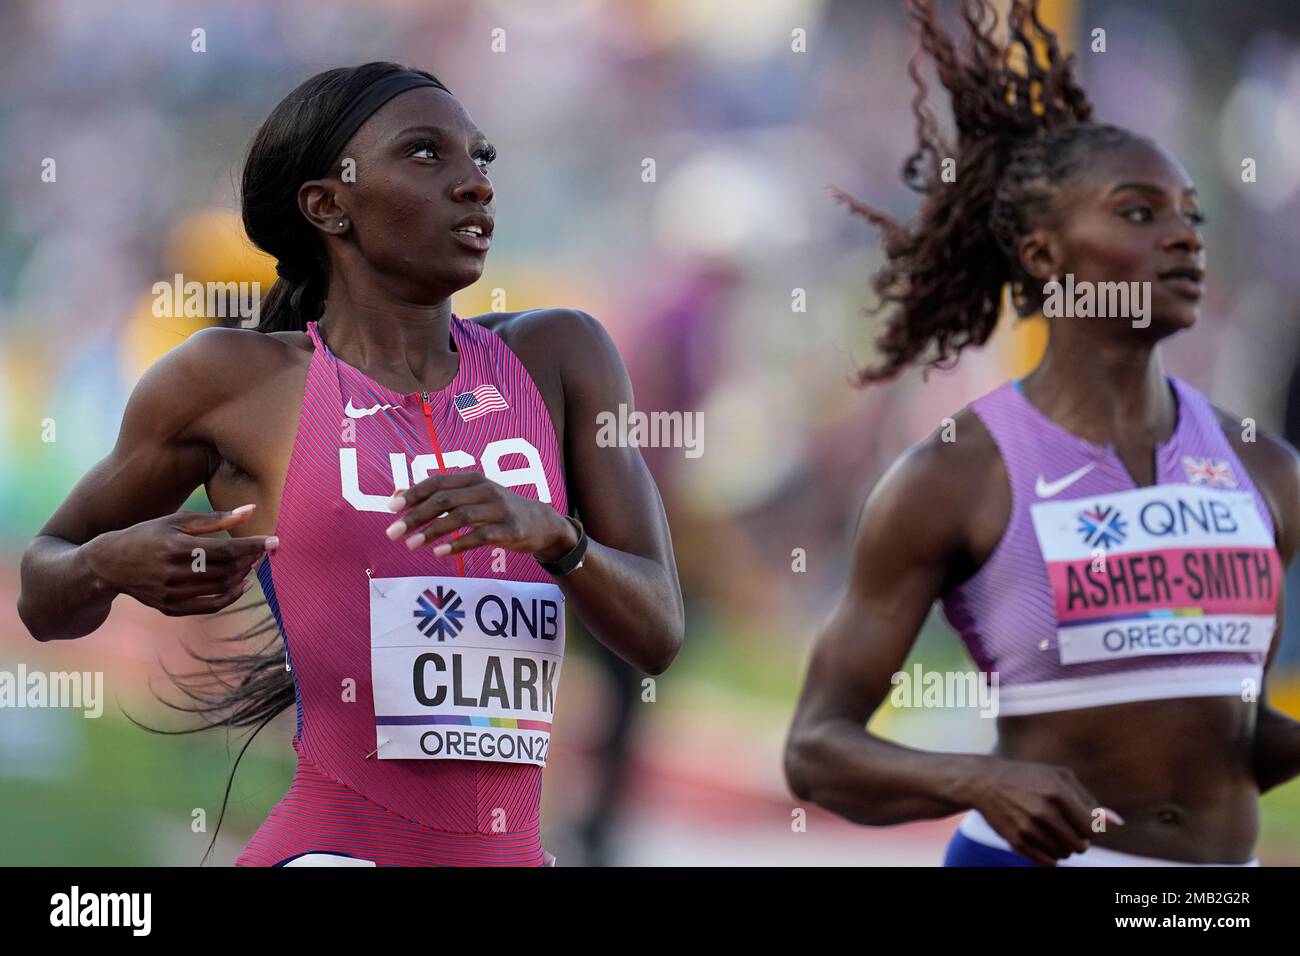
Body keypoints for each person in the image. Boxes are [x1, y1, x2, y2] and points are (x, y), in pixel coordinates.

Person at [18, 61, 684, 867]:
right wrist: (106, 564)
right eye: (428, 155)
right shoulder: (234, 382)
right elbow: (44, 592)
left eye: (482, 158)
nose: (475, 184)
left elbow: (658, 633)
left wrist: (556, 537)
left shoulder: (561, 357)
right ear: (328, 204)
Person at [783, 0, 1300, 866]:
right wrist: (980, 779)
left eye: (1192, 215)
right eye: (1139, 213)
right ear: (1043, 254)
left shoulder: (1268, 471)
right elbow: (816, 748)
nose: (1184, 238)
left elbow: (1222, 740)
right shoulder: (957, 476)